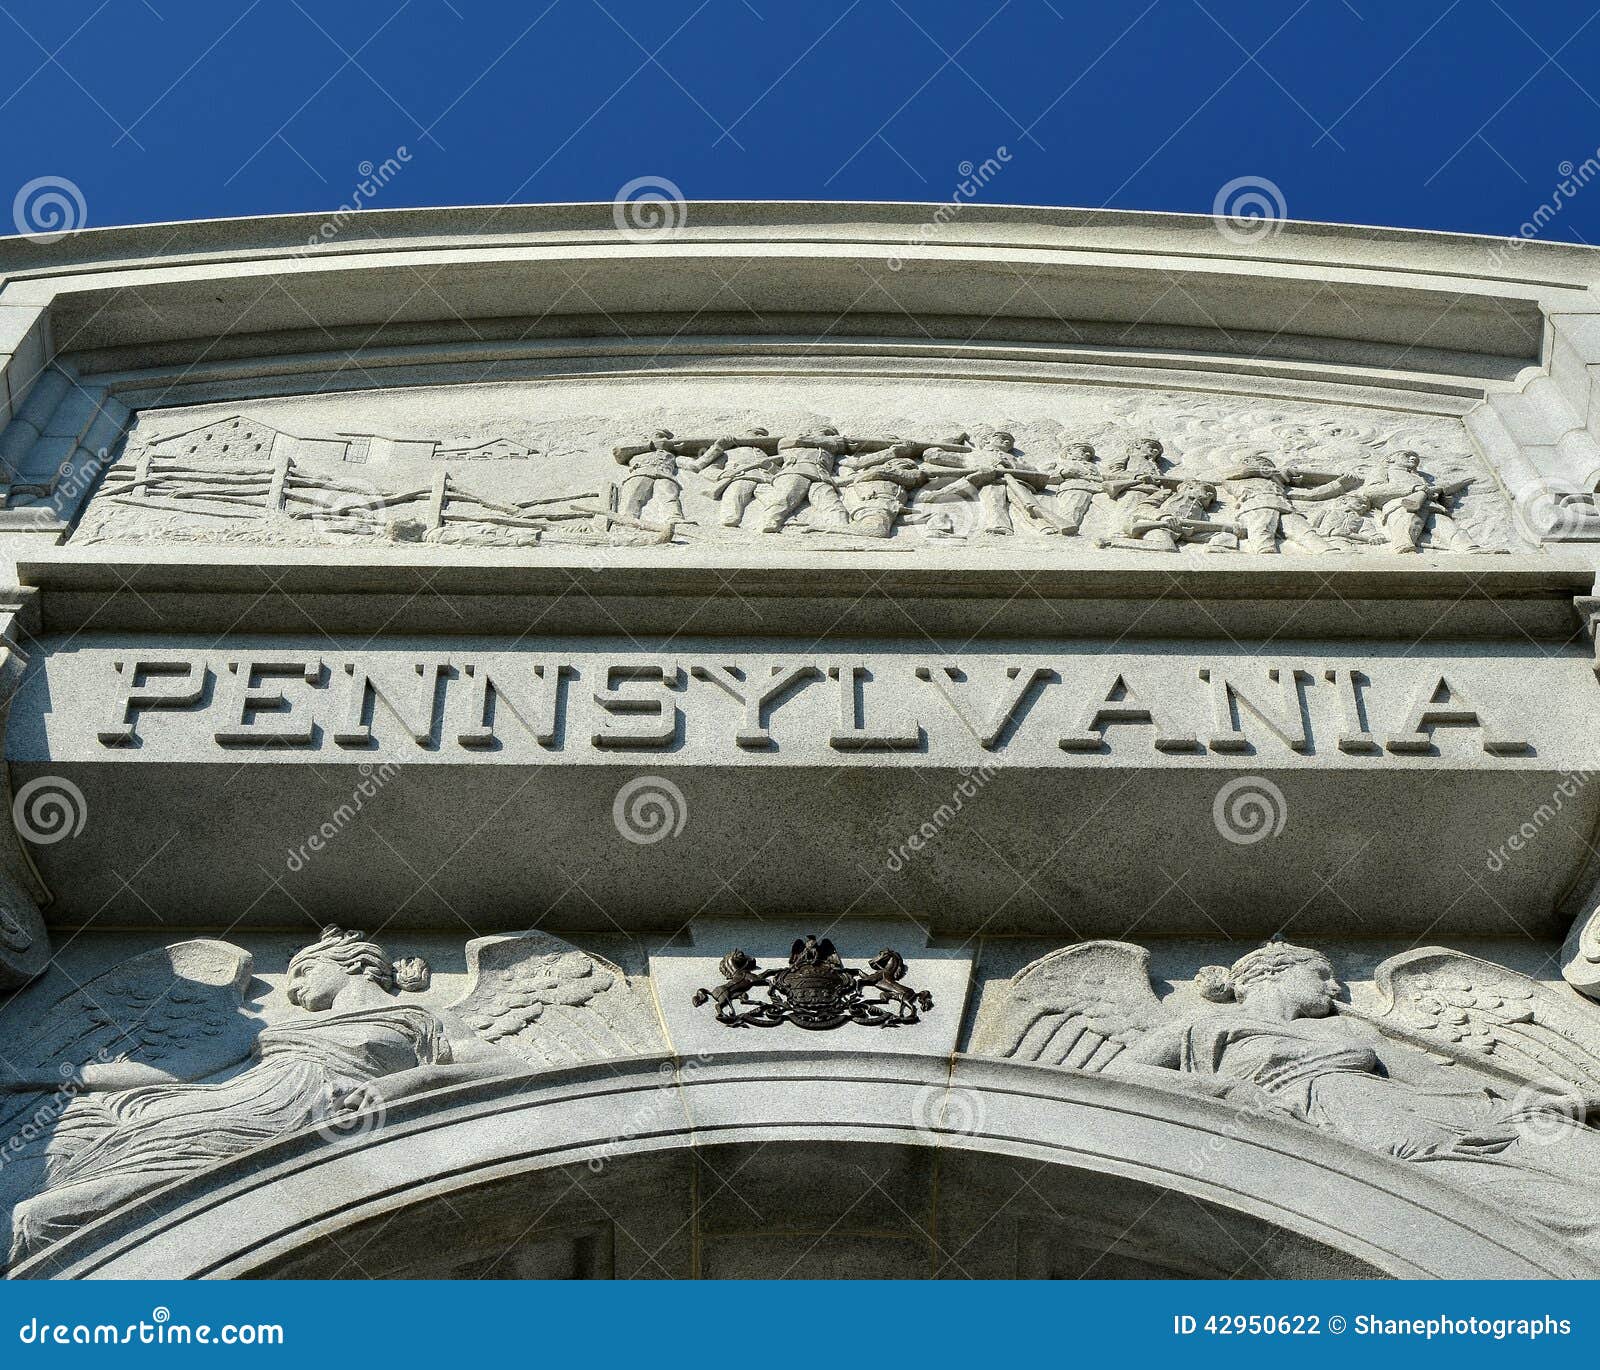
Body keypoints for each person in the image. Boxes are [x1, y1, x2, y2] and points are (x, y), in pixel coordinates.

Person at [0, 927, 487, 1265]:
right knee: (97, 1137)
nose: (292, 991)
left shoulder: (422, 1019)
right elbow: (169, 1073)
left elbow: (506, 1071)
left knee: (54, 1210)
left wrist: (400, 1085)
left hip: (300, 1117)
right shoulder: (272, 1032)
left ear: (354, 963)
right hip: (241, 1102)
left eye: (303, 971)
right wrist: (30, 1076)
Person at [1109, 941, 1600, 1255]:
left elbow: (1435, 1080)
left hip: (1436, 1118)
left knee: (1568, 1151)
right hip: (1364, 1145)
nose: (1336, 985)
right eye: (1321, 974)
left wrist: (1539, 1102)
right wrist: (1231, 1090)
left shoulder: (1348, 1029)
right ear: (1276, 972)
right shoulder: (1203, 1025)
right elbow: (1121, 1074)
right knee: (1549, 1210)